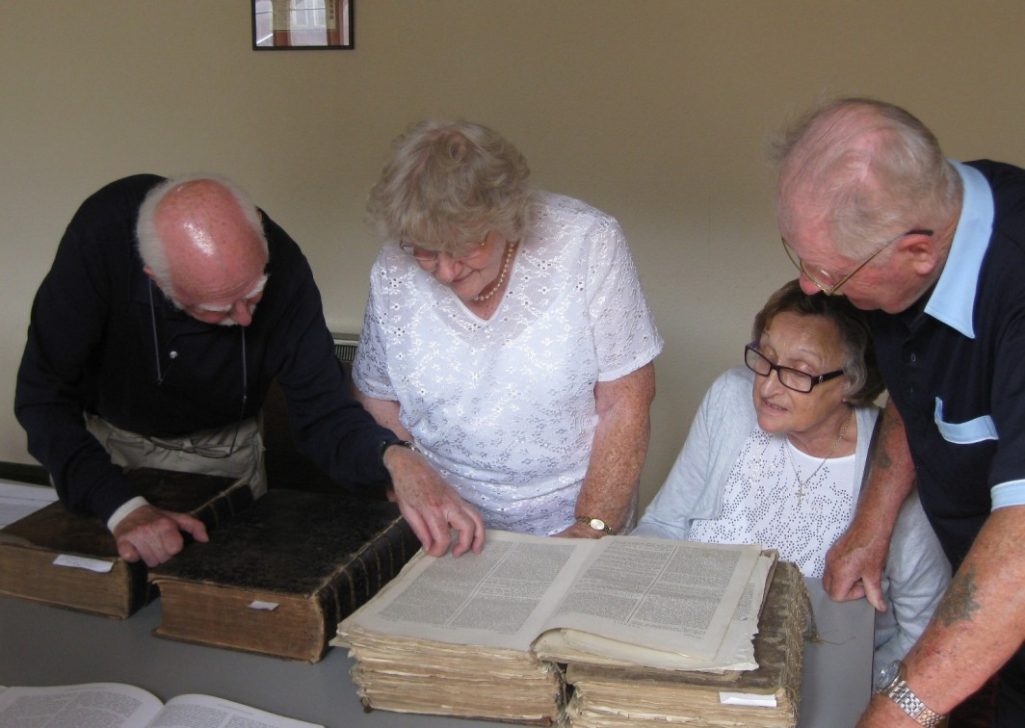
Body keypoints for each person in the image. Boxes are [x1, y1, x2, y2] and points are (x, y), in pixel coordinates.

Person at [15, 173, 483, 567]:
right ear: (156, 280)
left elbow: (321, 413)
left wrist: (394, 458)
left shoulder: (285, 264)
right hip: (105, 452)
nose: (243, 319)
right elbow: (42, 398)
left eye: (254, 294)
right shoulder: (100, 241)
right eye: (217, 310)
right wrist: (120, 508)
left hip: (225, 453)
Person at [775, 97, 1025, 726]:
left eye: (829, 272)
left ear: (917, 252)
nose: (811, 288)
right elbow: (921, 391)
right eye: (799, 258)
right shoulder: (935, 211)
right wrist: (871, 524)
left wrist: (897, 711)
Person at [353, 120, 662, 537]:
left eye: (464, 245)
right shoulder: (394, 270)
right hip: (446, 523)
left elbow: (625, 404)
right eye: (426, 250)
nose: (445, 270)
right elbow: (376, 397)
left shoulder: (587, 243)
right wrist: (412, 475)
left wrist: (589, 527)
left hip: (575, 514)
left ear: (507, 215)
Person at [634, 280, 949, 673]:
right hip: (692, 658)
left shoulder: (890, 465)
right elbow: (664, 525)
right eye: (765, 358)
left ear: (852, 383)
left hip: (825, 681)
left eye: (799, 373)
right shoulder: (731, 398)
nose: (767, 386)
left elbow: (925, 627)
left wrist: (861, 697)